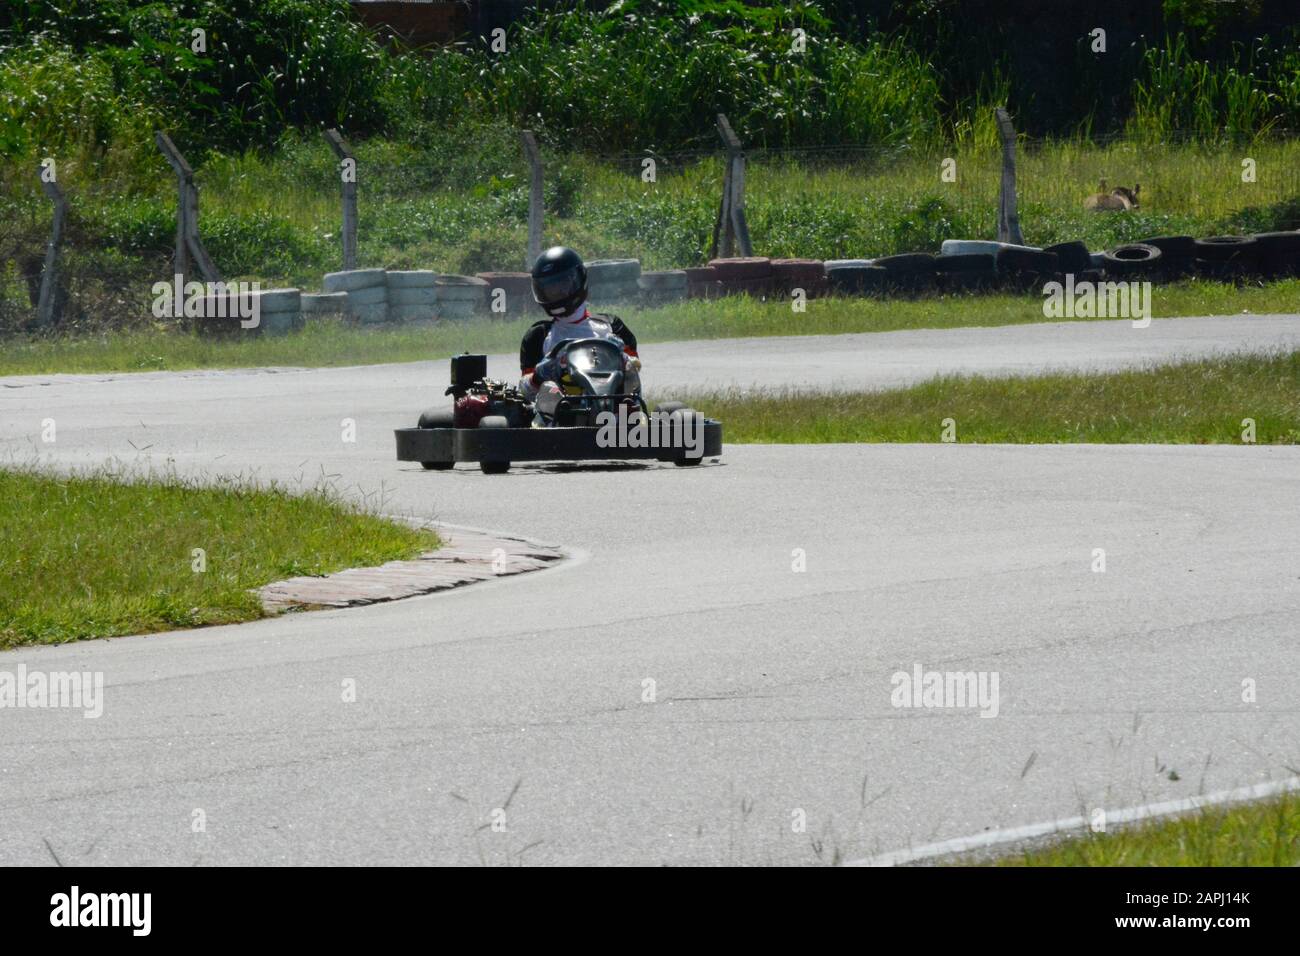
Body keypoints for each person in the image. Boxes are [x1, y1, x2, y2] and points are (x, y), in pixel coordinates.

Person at [519, 246, 639, 416]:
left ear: (579, 279)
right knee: (548, 390)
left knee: (629, 379)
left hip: (613, 409)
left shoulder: (611, 326)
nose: (557, 294)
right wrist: (538, 375)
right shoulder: (538, 336)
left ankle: (627, 422)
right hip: (561, 417)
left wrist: (623, 357)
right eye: (550, 290)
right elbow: (525, 392)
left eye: (563, 286)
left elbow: (635, 371)